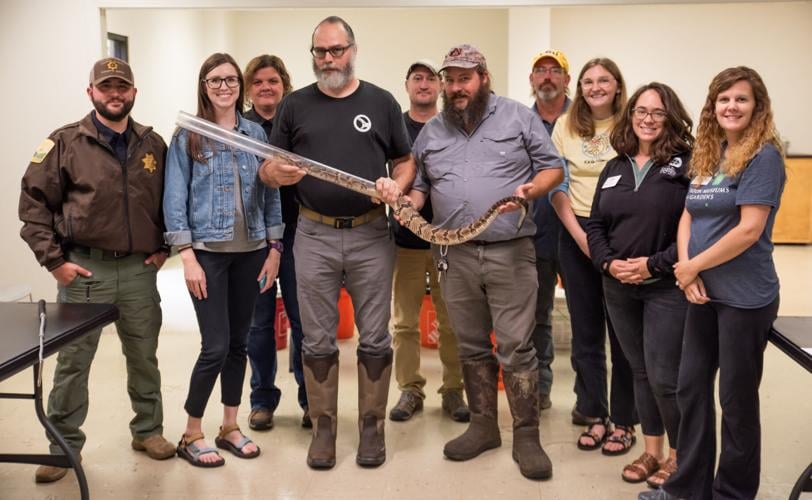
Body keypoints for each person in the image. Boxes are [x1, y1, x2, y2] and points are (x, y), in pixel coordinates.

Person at [259, 16, 414, 469]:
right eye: (320, 52)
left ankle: (371, 428)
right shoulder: (294, 105)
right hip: (313, 233)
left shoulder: (381, 102)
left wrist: (396, 186)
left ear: (353, 49)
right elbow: (268, 168)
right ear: (312, 55)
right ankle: (323, 428)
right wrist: (275, 173)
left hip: (370, 234)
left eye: (336, 50)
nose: (328, 59)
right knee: (317, 336)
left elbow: (405, 162)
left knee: (375, 335)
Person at [407, 44, 563, 480]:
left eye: (464, 78)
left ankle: (526, 435)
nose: (456, 88)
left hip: (510, 250)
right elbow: (420, 185)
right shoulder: (433, 131)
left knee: (516, 343)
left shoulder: (517, 116)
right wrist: (406, 204)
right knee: (470, 342)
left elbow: (553, 168)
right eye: (450, 80)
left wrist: (529, 191)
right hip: (453, 255)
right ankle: (483, 426)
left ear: (483, 78)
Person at [19, 57, 175, 483]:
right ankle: (63, 445)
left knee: (144, 355)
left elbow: (171, 202)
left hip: (140, 272)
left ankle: (148, 431)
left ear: (134, 93)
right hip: (85, 271)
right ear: (90, 92)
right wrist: (55, 262)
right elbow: (33, 206)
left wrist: (165, 248)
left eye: (122, 86)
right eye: (105, 87)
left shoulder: (153, 144)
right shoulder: (66, 143)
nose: (114, 94)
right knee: (73, 362)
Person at [647, 67, 786, 500]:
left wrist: (691, 268)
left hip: (745, 299)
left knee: (737, 401)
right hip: (702, 293)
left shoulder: (764, 156)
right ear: (712, 107)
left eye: (741, 99)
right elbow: (689, 215)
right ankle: (688, 488)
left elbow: (749, 230)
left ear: (757, 107)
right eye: (723, 99)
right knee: (690, 388)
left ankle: (733, 494)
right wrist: (688, 268)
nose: (731, 107)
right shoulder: (711, 154)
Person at [163, 52, 283, 468]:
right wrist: (187, 257)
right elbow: (174, 201)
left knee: (239, 344)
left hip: (250, 254)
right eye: (215, 80)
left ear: (240, 85)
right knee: (214, 346)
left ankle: (230, 426)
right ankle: (191, 432)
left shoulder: (254, 134)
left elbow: (271, 195)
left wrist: (274, 249)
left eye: (231, 79)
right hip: (209, 257)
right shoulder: (188, 136)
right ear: (204, 86)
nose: (225, 87)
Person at [586, 83, 693, 487]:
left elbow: (694, 229)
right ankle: (651, 451)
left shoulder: (687, 165)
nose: (648, 119)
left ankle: (679, 458)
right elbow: (596, 223)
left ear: (671, 119)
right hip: (618, 286)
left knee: (666, 374)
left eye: (658, 112)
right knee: (639, 371)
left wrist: (654, 265)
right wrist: (609, 263)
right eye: (641, 111)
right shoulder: (616, 166)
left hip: (666, 286)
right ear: (630, 116)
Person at [549, 57, 638, 455]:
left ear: (618, 86)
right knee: (585, 330)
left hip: (624, 235)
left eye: (604, 80)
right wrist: (582, 239)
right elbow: (557, 184)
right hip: (577, 232)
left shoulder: (633, 122)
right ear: (579, 87)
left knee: (623, 333)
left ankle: (624, 420)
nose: (596, 87)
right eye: (588, 81)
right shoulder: (565, 124)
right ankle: (593, 412)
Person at [388, 59, 469, 423]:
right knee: (404, 322)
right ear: (407, 85)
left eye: (430, 79)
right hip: (405, 240)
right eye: (416, 78)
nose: (423, 84)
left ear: (439, 88)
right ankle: (410, 389)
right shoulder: (395, 127)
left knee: (452, 320)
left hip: (449, 239)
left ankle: (453, 391)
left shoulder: (453, 126)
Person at [241, 54, 310, 431]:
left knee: (304, 323)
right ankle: (262, 399)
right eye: (258, 82)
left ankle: (309, 399)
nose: (266, 87)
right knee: (259, 323)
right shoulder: (239, 128)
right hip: (255, 240)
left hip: (298, 234)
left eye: (273, 81)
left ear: (285, 85)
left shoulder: (297, 123)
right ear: (250, 90)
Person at [528, 49, 571, 411]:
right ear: (531, 80)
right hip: (536, 234)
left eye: (554, 70)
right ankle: (540, 389)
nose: (546, 77)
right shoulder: (518, 122)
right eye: (540, 70)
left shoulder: (584, 120)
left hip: (582, 237)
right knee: (537, 316)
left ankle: (590, 396)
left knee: (590, 318)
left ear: (566, 80)